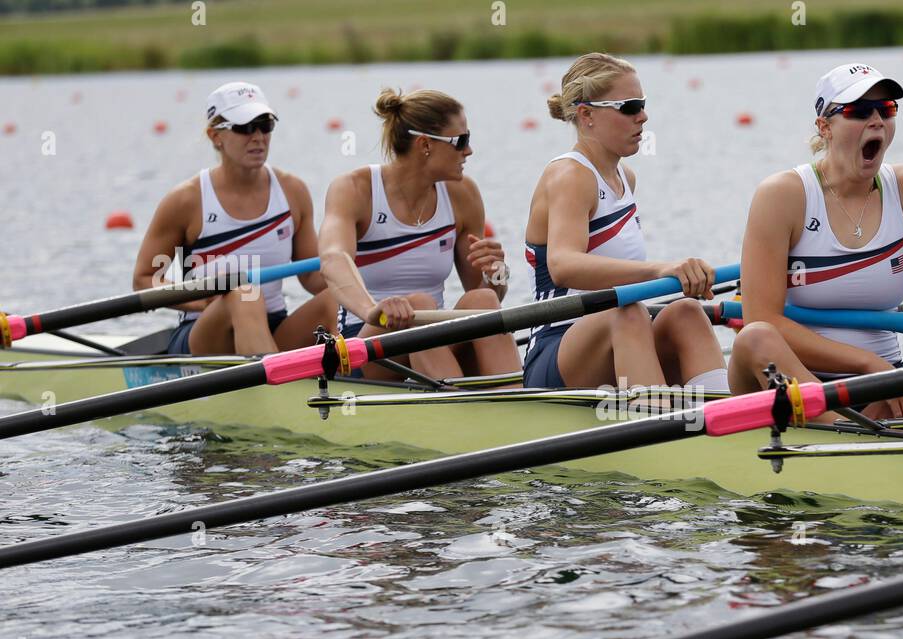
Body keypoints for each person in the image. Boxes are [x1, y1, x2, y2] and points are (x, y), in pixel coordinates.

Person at [727, 63, 903, 421]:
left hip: (895, 386)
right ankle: (850, 431)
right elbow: (761, 317)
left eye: (886, 110)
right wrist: (867, 365)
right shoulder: (782, 196)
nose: (876, 121)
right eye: (859, 111)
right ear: (824, 127)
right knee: (755, 338)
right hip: (802, 383)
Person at [521, 52, 728, 393]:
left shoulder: (625, 177)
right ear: (586, 115)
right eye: (630, 107)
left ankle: (724, 422)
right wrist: (660, 270)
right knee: (628, 312)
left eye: (643, 104)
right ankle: (658, 426)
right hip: (556, 352)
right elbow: (562, 265)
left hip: (617, 339)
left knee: (688, 312)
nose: (643, 117)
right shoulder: (570, 175)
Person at [318, 88, 520, 382]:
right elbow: (333, 259)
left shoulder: (463, 194)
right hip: (367, 345)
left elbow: (481, 289)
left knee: (484, 299)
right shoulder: (355, 189)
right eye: (460, 141)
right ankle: (459, 407)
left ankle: (514, 399)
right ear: (425, 144)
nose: (468, 151)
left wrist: (497, 275)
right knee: (420, 304)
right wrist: (371, 309)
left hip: (430, 336)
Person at [133, 81, 337, 356]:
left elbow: (312, 276)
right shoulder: (186, 200)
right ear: (215, 136)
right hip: (204, 334)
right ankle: (275, 391)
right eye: (244, 127)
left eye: (265, 125)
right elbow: (144, 279)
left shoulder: (292, 191)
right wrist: (199, 298)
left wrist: (360, 273)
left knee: (334, 299)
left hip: (274, 325)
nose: (258, 137)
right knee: (242, 292)